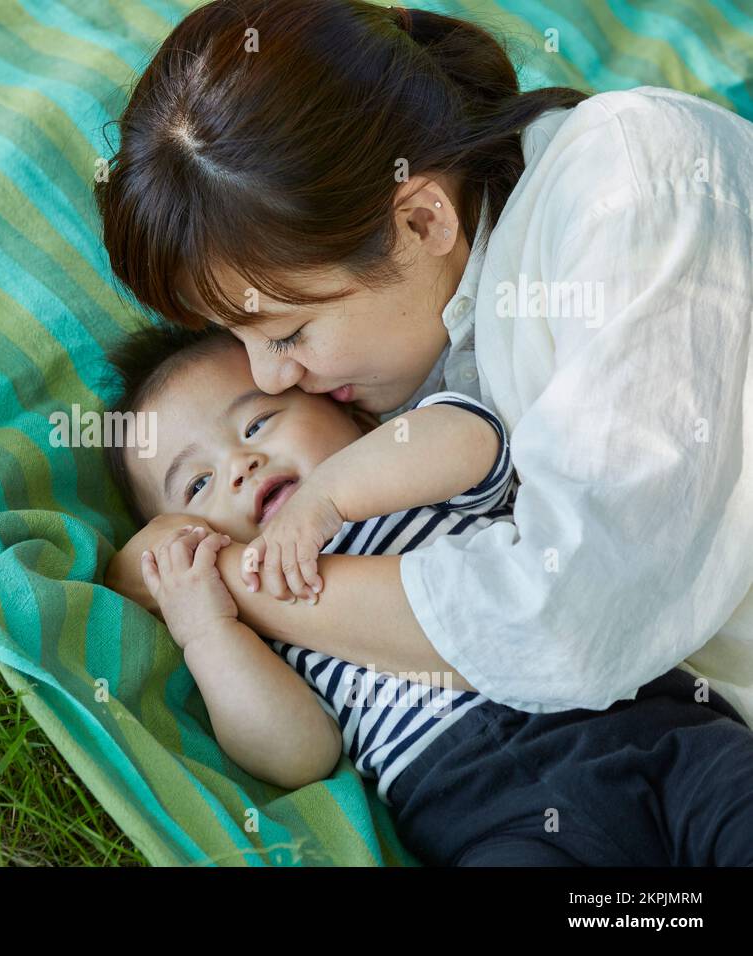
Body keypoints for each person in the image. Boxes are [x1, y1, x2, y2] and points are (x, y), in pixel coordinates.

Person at [94, 0, 753, 722]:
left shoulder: (630, 193)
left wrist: (217, 577)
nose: (269, 379)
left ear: (422, 220)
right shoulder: (413, 356)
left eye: (288, 333)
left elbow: (566, 620)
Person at [103, 323, 753, 865]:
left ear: (345, 407)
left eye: (258, 425)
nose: (240, 466)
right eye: (196, 486)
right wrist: (207, 630)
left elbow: (471, 439)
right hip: (486, 816)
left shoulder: (404, 465)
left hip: (639, 727)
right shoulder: (265, 628)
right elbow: (300, 755)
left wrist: (331, 497)